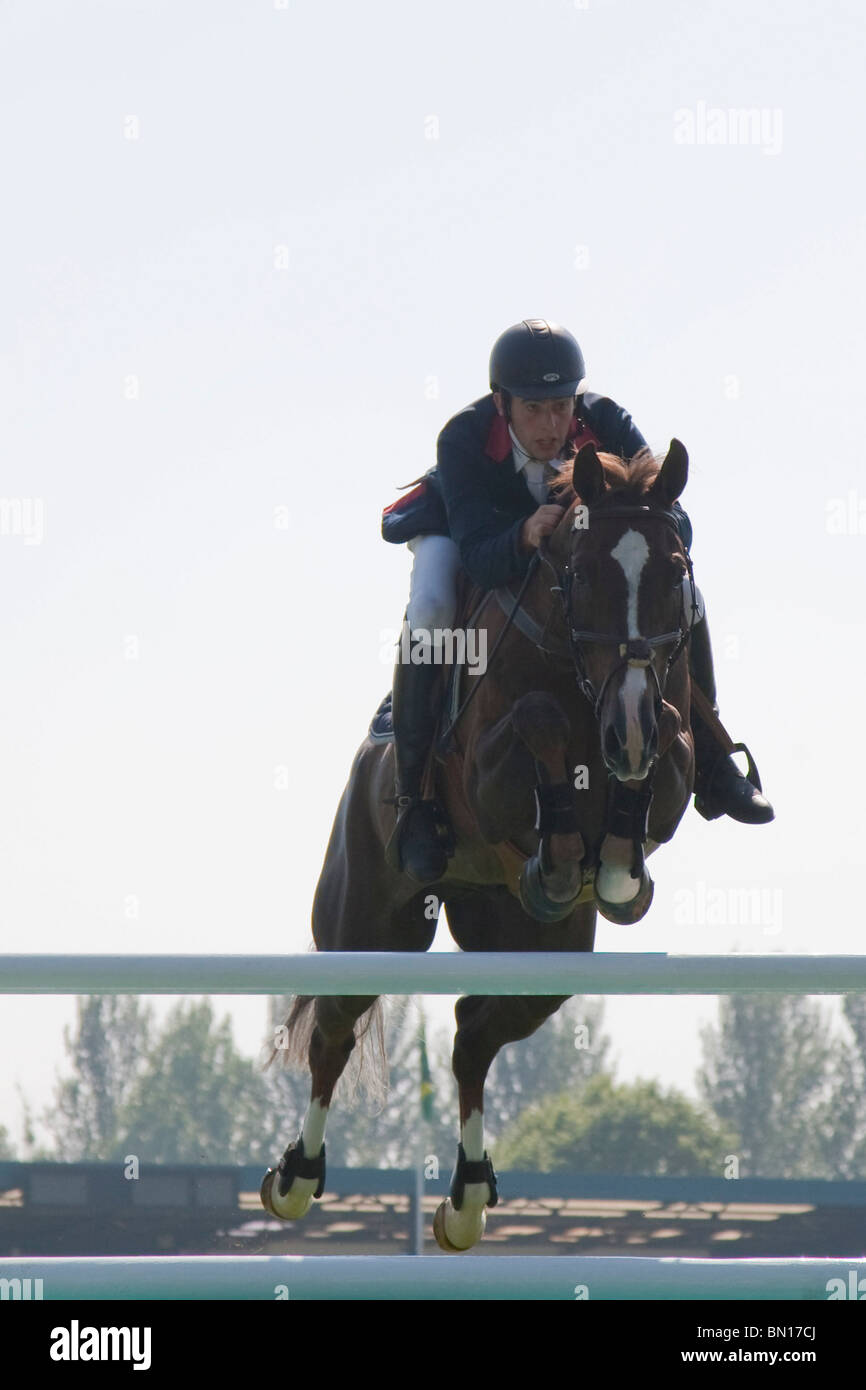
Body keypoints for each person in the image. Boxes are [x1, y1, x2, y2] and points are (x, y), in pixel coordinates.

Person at [381, 319, 774, 884]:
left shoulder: (606, 420)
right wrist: (520, 535)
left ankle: (712, 759)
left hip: (581, 547)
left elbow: (673, 518)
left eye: (561, 407)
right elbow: (479, 558)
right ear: (502, 403)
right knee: (433, 608)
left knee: (685, 591)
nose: (551, 424)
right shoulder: (463, 438)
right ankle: (414, 799)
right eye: (534, 410)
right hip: (469, 532)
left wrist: (643, 529)